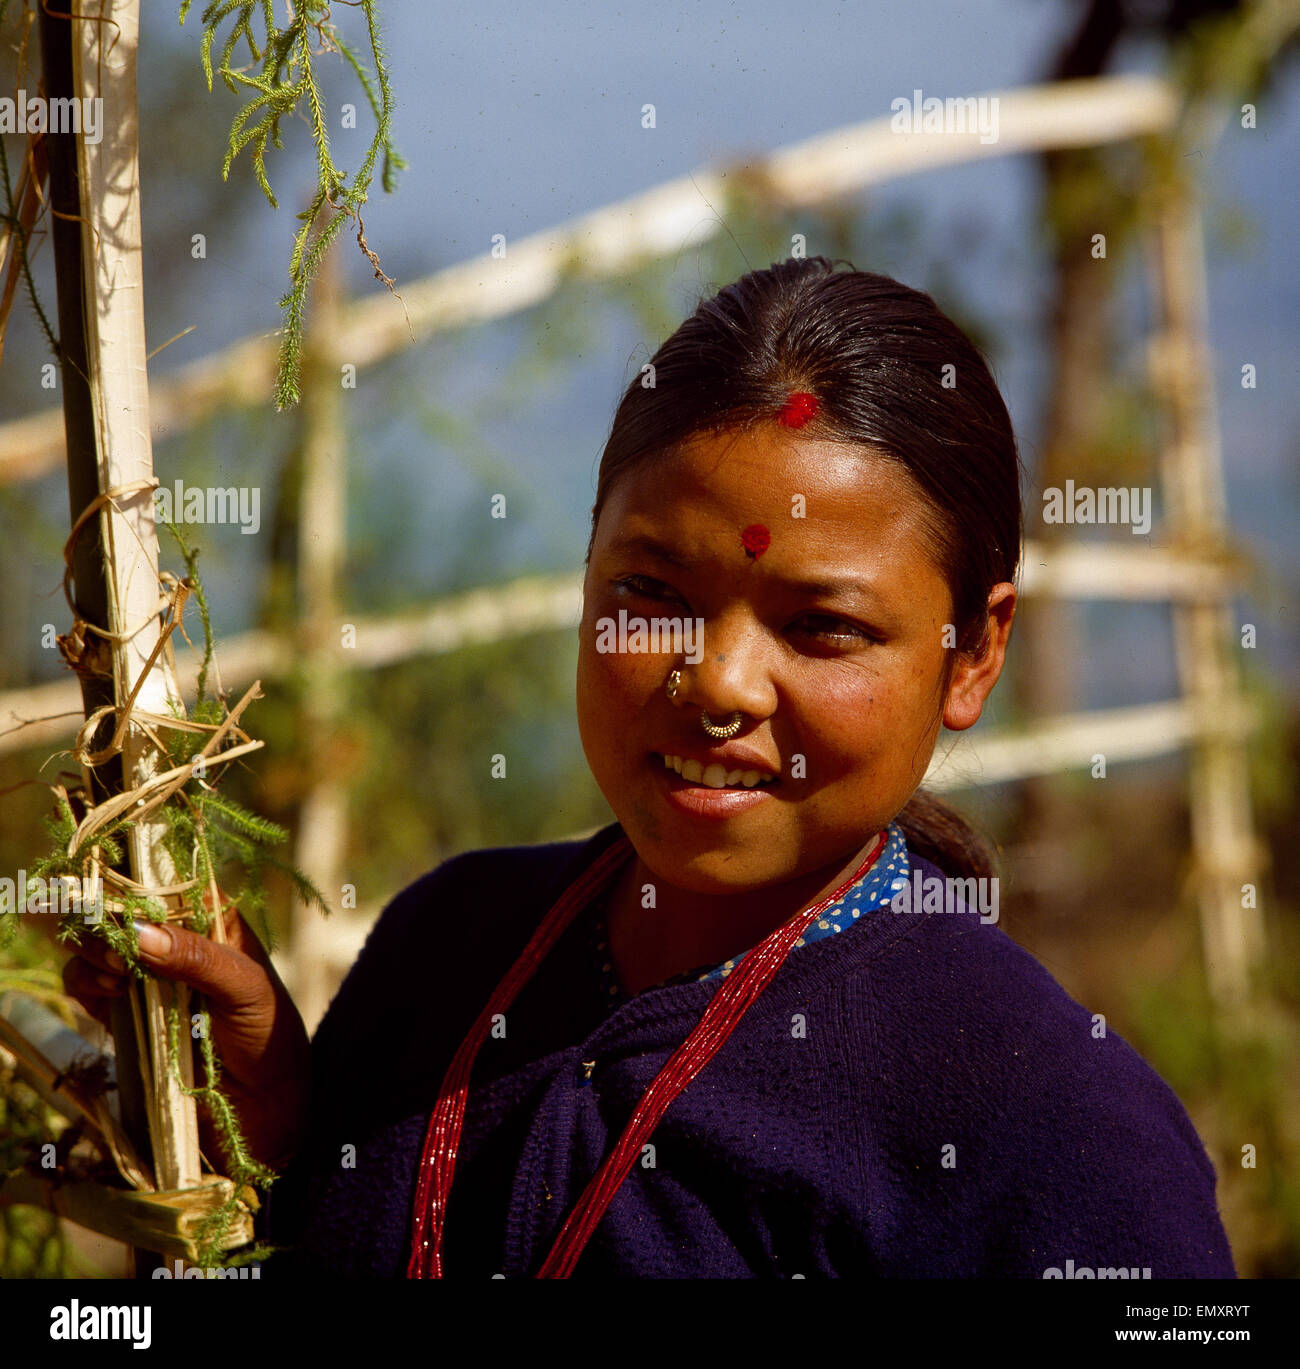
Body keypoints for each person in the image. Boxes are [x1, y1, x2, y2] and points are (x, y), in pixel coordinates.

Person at [63, 257, 1236, 1278]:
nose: (720, 682)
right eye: (651, 595)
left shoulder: (1051, 1125)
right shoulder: (449, 948)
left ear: (971, 654)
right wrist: (264, 1126)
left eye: (821, 625)